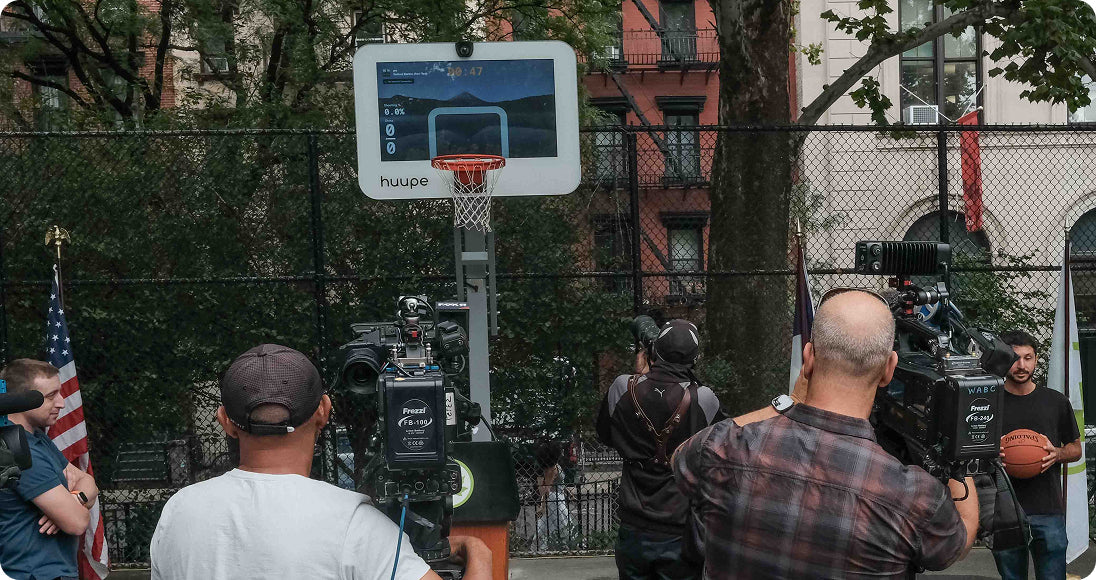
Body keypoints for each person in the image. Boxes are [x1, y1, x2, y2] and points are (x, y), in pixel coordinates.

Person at [673, 290, 979, 579]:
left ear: (808, 357)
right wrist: (959, 443)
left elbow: (681, 457)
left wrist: (786, 403)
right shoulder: (912, 494)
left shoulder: (724, 448)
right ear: (888, 369)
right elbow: (958, 542)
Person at [150, 343, 491, 580]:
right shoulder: (354, 524)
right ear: (324, 411)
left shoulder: (178, 512)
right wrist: (480, 554)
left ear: (224, 420)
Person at [596, 319, 724, 580]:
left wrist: (641, 379)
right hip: (679, 527)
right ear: (694, 360)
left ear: (653, 353)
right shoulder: (704, 399)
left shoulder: (622, 387)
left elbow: (605, 436)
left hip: (633, 524)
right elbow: (720, 450)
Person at [990, 329, 1081, 580]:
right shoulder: (990, 403)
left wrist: (1058, 453)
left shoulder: (1056, 402)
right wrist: (990, 453)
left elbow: (1076, 449)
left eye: (1028, 357)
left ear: (1036, 359)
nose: (1021, 365)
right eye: (1015, 358)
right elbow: (968, 454)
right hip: (1005, 509)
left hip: (1047, 506)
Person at [0, 359, 98, 580]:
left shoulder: (37, 438)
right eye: (51, 396)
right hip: (32, 573)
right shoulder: (15, 449)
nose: (62, 403)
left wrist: (74, 499)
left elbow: (88, 482)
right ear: (21, 399)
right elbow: (76, 523)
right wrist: (70, 511)